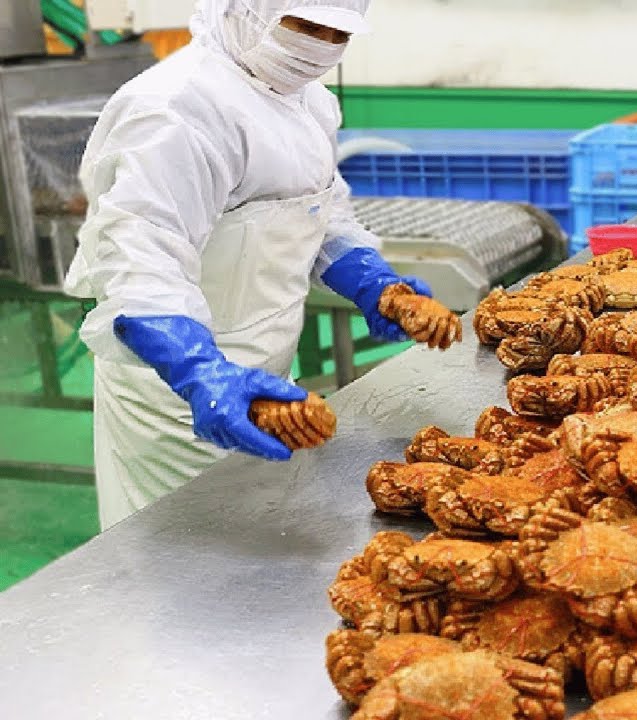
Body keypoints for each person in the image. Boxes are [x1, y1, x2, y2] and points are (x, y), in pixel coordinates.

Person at [63, 0, 435, 529]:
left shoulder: (309, 102)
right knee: (179, 553)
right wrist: (200, 371)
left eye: (338, 34)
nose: (320, 47)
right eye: (304, 26)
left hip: (269, 377)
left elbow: (320, 212)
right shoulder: (175, 110)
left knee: (264, 540)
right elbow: (139, 262)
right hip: (176, 400)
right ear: (243, 10)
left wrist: (373, 282)